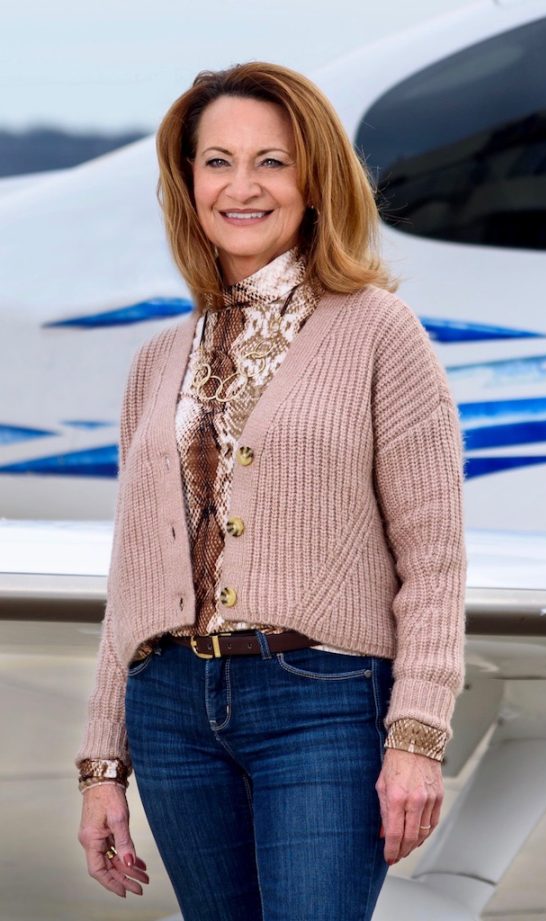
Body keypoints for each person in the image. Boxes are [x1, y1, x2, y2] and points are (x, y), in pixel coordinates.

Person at [74, 61, 467, 920]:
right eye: (217, 161)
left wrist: (417, 737)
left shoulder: (379, 333)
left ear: (315, 180)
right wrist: (103, 765)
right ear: (188, 183)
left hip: (321, 703)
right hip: (171, 708)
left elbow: (433, 561)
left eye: (271, 162)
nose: (240, 186)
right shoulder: (155, 361)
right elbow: (131, 580)